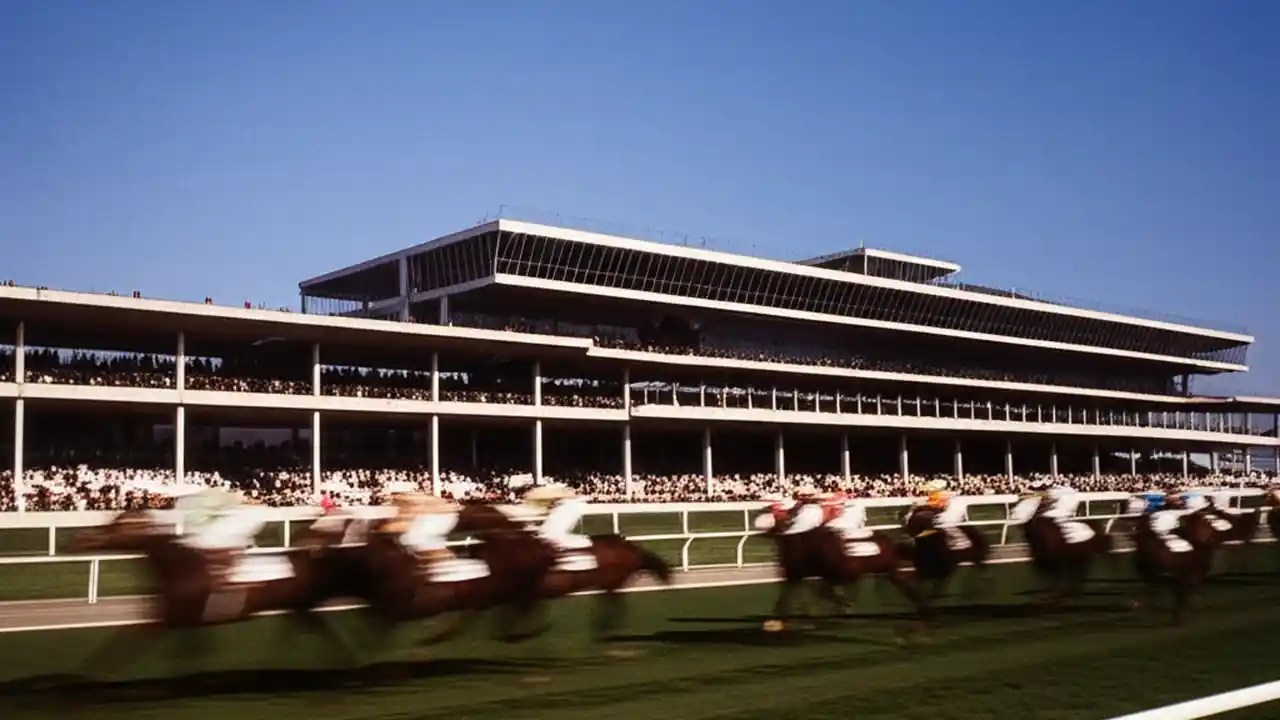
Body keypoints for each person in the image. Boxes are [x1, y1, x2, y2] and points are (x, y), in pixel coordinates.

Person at [526, 484, 593, 552]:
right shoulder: (566, 507)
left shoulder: (569, 507)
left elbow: (553, 533)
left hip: (570, 548)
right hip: (566, 546)